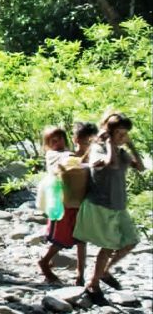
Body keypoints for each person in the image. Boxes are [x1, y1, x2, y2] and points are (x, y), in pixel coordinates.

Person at [74, 113, 145, 305]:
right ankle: (93, 284)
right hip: (101, 205)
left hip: (118, 205)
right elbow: (110, 164)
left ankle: (104, 272)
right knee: (108, 246)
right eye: (120, 134)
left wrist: (130, 145)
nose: (123, 137)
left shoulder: (122, 152)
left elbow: (141, 167)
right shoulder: (98, 149)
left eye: (125, 134)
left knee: (130, 241)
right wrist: (108, 144)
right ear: (110, 132)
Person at [38, 122, 97, 284]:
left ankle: (81, 275)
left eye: (60, 139)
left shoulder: (69, 153)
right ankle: (44, 262)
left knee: (81, 239)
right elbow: (68, 161)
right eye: (53, 141)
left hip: (79, 202)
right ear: (47, 145)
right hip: (63, 204)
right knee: (61, 239)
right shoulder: (53, 155)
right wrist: (84, 153)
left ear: (66, 139)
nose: (57, 143)